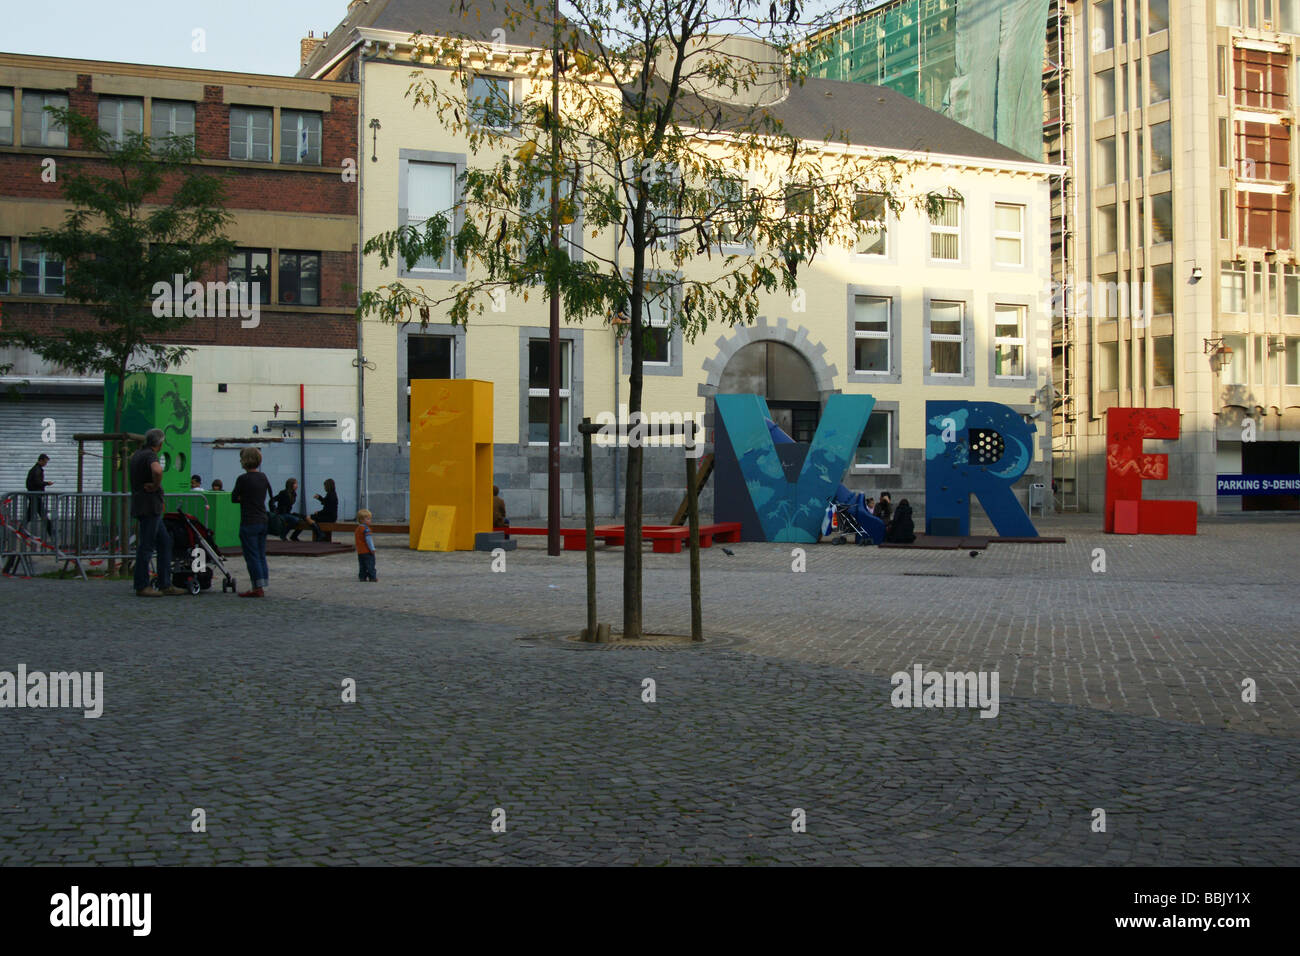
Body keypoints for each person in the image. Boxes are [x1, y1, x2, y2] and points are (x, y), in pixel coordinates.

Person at [129, 430, 185, 597]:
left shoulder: (137, 454)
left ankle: (165, 583)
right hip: (150, 506)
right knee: (146, 546)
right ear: (159, 444)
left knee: (165, 542)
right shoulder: (150, 456)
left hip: (141, 504)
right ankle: (142, 585)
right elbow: (158, 471)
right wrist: (155, 485)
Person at [231, 446, 272, 597]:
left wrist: (244, 498)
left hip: (249, 520)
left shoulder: (243, 479)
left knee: (251, 555)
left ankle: (257, 587)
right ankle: (263, 583)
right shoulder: (263, 477)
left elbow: (234, 498)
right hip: (263, 519)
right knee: (261, 554)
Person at [354, 509, 378, 582]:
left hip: (360, 551)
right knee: (370, 564)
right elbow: (369, 540)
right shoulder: (366, 529)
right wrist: (372, 549)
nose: (370, 520)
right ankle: (372, 577)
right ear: (362, 520)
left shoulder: (357, 529)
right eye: (368, 519)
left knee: (362, 565)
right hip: (367, 551)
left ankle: (362, 577)